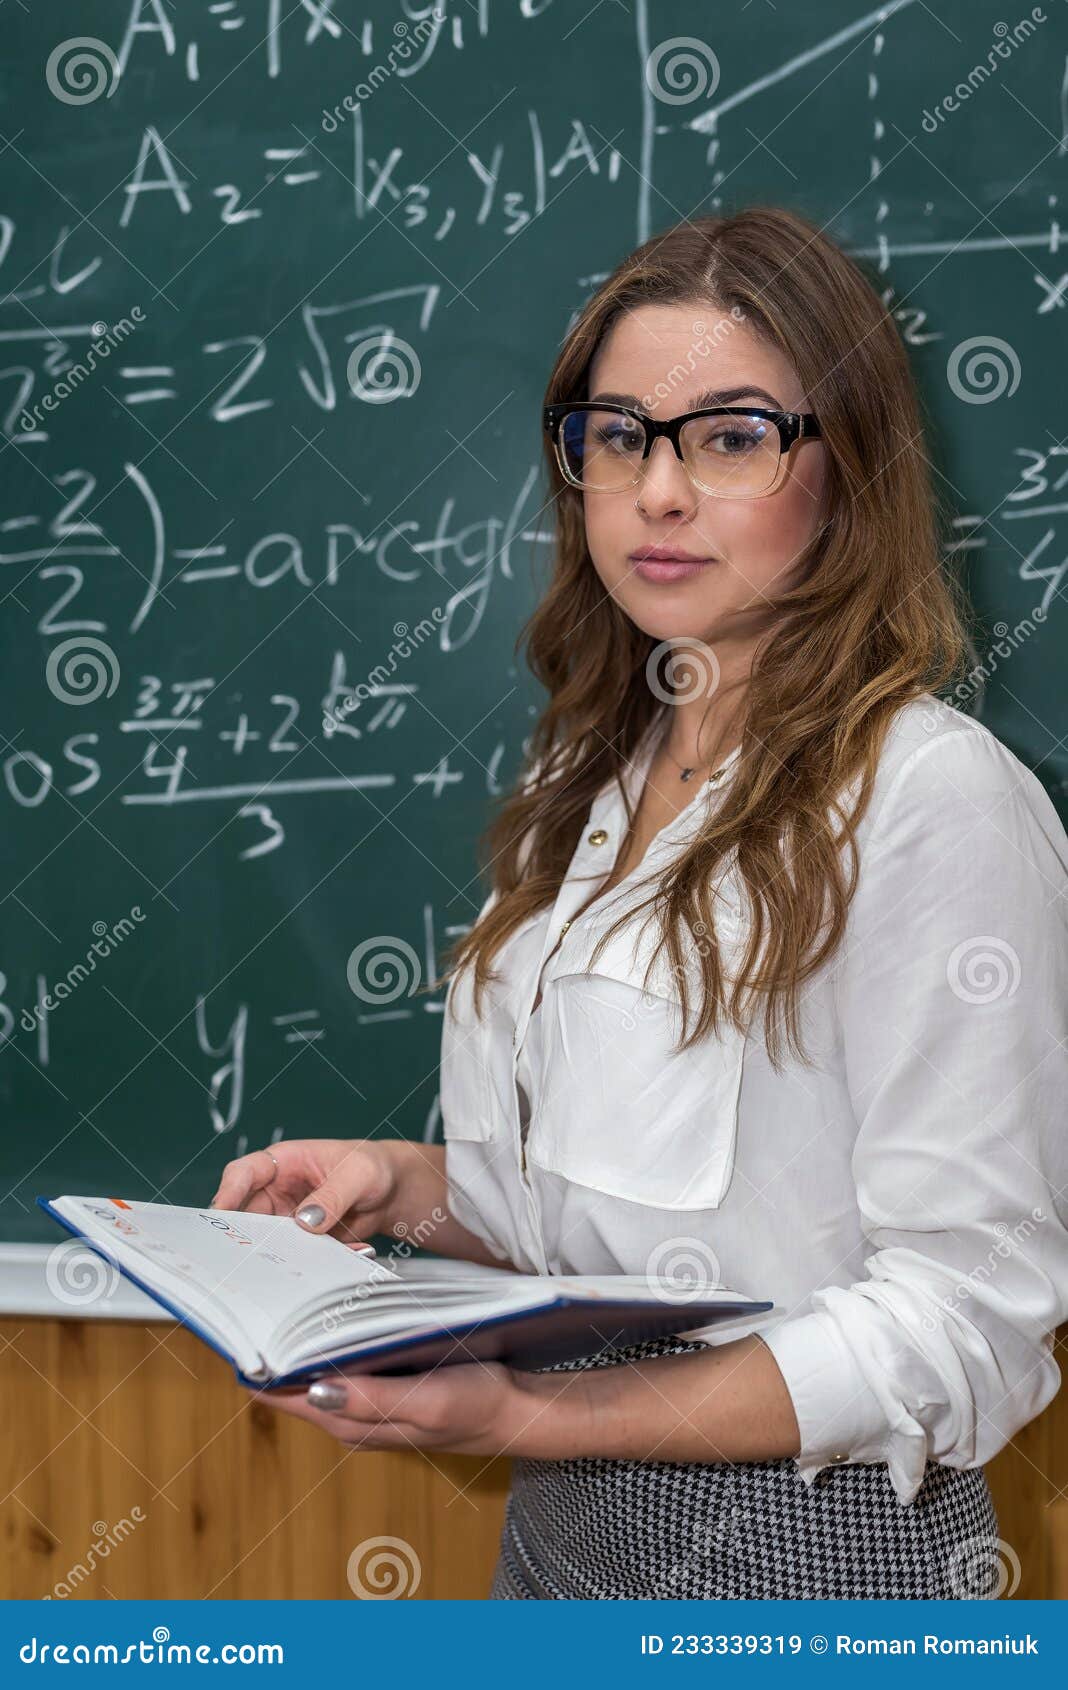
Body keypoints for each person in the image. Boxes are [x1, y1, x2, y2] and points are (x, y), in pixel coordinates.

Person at [210, 207, 1068, 1600]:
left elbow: (968, 1322)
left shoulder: (933, 803)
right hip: (555, 1545)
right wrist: (401, 1186)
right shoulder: (583, 768)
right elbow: (571, 1222)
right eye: (618, 435)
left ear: (844, 466)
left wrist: (533, 1414)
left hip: (816, 1567)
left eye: (732, 436)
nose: (658, 491)